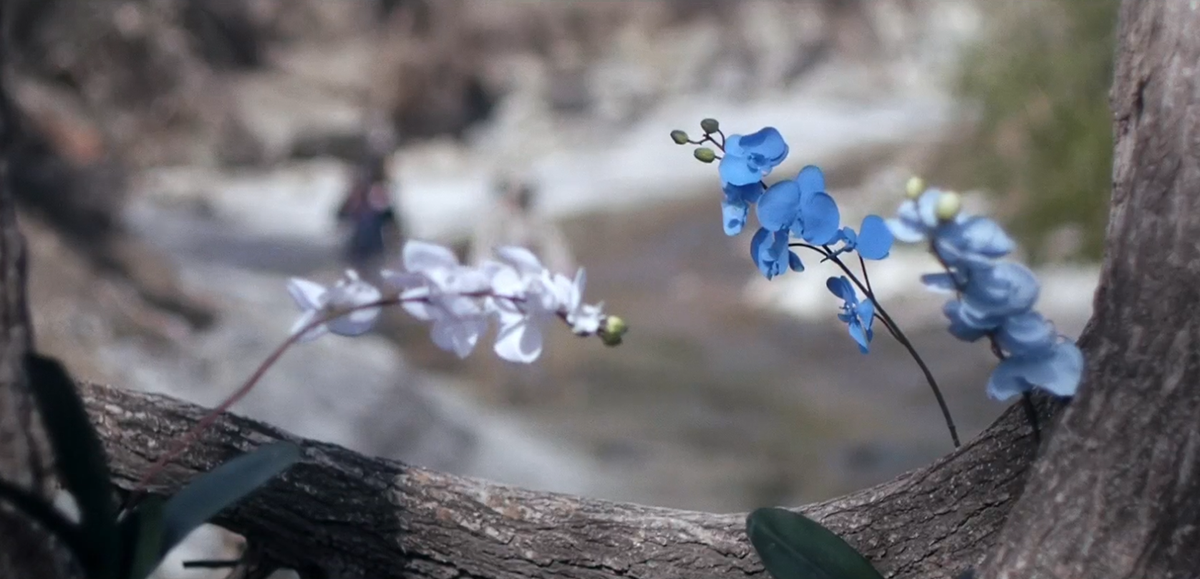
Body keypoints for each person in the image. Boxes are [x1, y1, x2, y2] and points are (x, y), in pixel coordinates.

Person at [336, 150, 405, 276]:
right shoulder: (353, 198)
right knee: (358, 276)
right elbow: (340, 216)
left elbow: (390, 217)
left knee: (374, 276)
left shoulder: (377, 196)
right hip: (357, 247)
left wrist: (396, 237)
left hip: (375, 247)